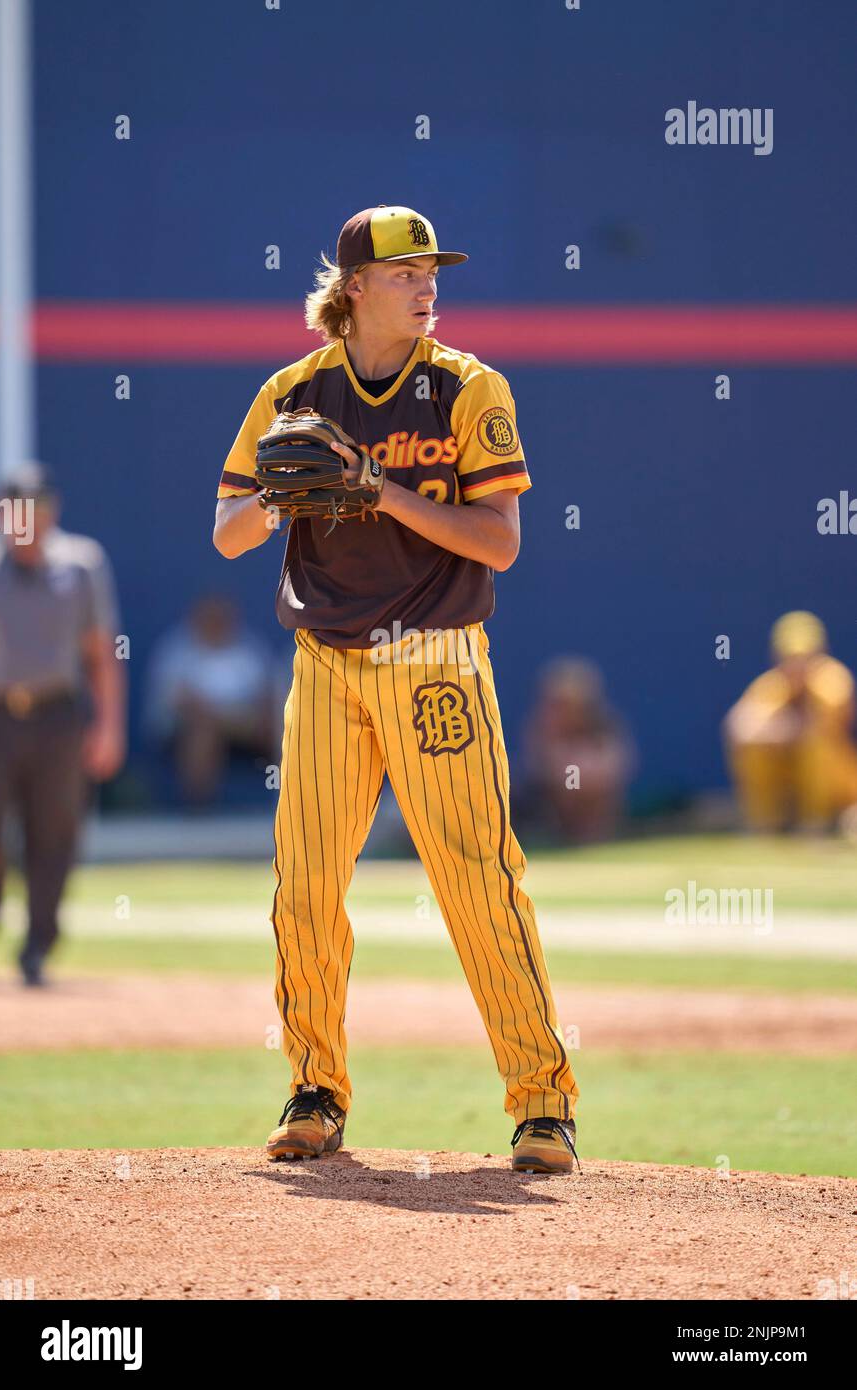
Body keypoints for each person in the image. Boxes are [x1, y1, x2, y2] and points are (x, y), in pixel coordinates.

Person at [214, 204, 580, 1176]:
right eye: (406, 271)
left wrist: (376, 489)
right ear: (354, 289)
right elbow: (227, 530)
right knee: (304, 884)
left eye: (432, 271)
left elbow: (499, 539)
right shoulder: (293, 391)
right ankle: (315, 1089)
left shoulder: (464, 386)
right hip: (327, 660)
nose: (426, 286)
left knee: (474, 877)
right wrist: (276, 498)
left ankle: (541, 1103)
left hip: (435, 658)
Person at [0, 462, 126, 985]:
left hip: (57, 716)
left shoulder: (81, 565)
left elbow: (101, 652)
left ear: (51, 514)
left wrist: (109, 726)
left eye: (36, 509)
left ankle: (37, 946)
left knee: (54, 833)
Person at [143, 595, 285, 807]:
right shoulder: (177, 652)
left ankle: (291, 807)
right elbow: (175, 703)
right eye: (210, 618)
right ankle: (199, 810)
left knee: (282, 726)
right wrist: (219, 716)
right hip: (190, 730)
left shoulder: (251, 651)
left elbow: (267, 698)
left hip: (245, 729)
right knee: (203, 731)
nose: (216, 623)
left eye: (221, 618)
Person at [723, 610, 857, 833]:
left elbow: (817, 730)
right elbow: (738, 728)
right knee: (753, 751)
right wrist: (779, 731)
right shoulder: (773, 685)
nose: (798, 665)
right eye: (791, 658)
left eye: (805, 657)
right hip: (789, 783)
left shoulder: (832, 681)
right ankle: (767, 822)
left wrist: (774, 729)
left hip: (839, 787)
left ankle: (819, 821)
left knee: (816, 746)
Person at [520, 657, 634, 843]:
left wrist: (579, 774)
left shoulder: (604, 727)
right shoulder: (541, 728)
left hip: (593, 792)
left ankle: (593, 835)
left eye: (564, 704)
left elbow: (615, 767)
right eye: (554, 704)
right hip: (546, 795)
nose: (557, 710)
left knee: (577, 780)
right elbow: (539, 768)